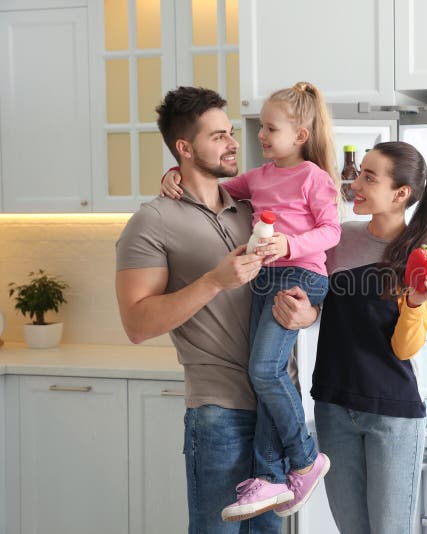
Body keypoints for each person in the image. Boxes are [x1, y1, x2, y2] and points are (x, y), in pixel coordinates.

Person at [160, 81, 341, 522]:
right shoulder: (258, 178)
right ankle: (271, 476)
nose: (258, 135)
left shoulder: (314, 177)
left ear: (300, 135)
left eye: (270, 128)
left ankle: (304, 457)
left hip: (299, 274)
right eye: (261, 125)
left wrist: (290, 245)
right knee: (263, 375)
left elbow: (331, 232)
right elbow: (213, 185)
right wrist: (173, 175)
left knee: (264, 370)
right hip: (268, 279)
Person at [115, 86, 283, 533]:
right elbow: (135, 323)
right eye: (218, 136)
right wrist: (213, 281)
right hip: (218, 411)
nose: (233, 143)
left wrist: (309, 314)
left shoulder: (251, 209)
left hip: (275, 409)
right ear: (185, 148)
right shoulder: (153, 220)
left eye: (231, 133)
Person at [271, 141, 427, 534]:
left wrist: (417, 302)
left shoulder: (422, 255)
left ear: (400, 194)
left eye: (369, 177)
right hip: (334, 406)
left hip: (391, 413)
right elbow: (324, 309)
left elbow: (404, 348)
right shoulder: (338, 238)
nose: (355, 185)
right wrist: (306, 314)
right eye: (358, 173)